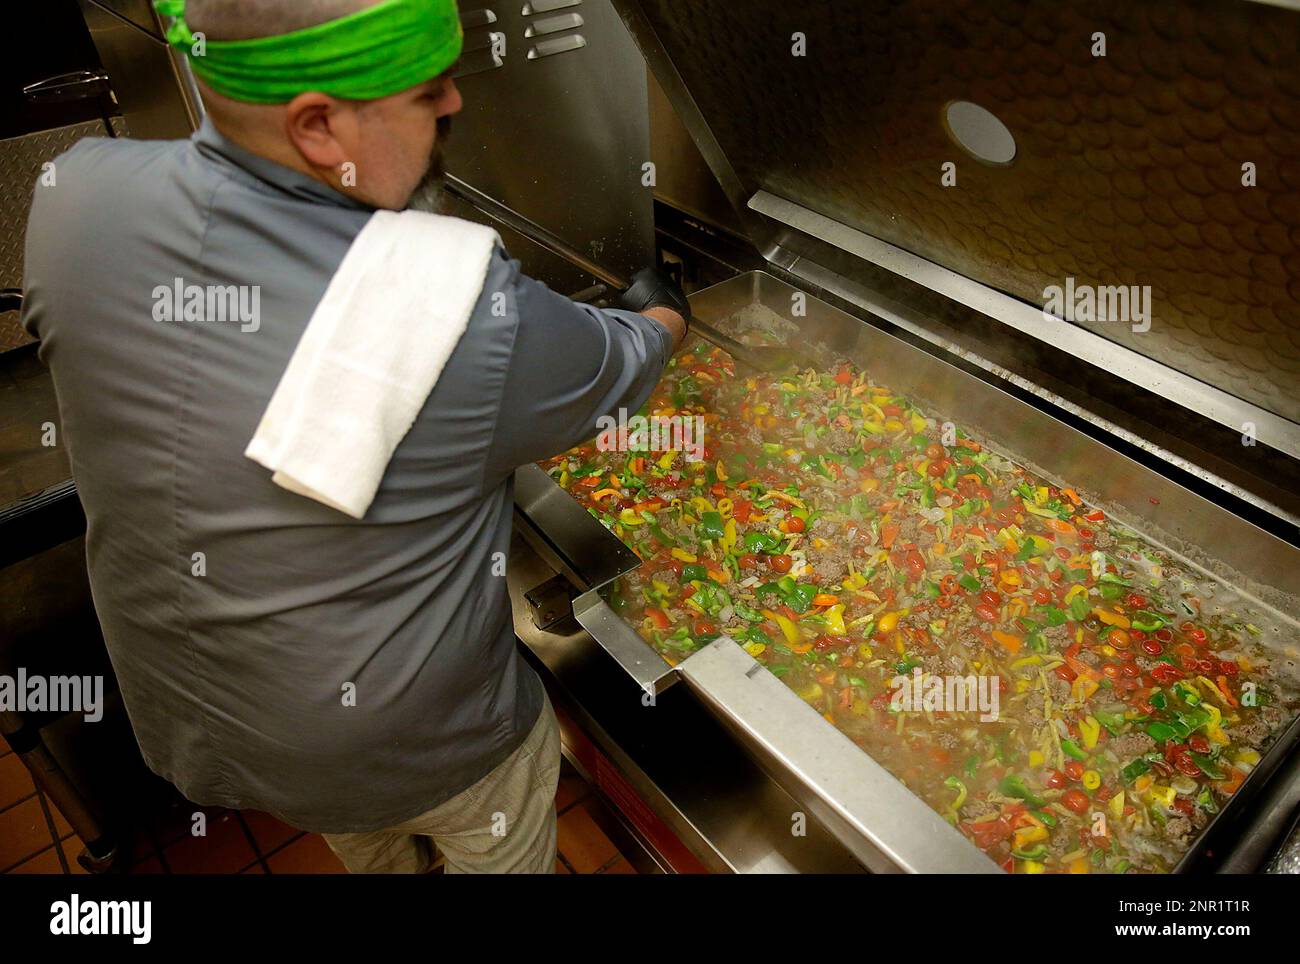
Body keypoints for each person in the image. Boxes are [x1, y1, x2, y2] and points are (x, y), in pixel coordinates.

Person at [20, 0, 688, 873]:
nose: (453, 104)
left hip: (228, 728)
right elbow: (625, 367)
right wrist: (665, 309)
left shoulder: (75, 194)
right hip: (435, 746)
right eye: (426, 90)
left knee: (368, 849)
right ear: (318, 125)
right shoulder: (454, 301)